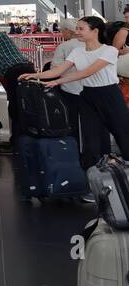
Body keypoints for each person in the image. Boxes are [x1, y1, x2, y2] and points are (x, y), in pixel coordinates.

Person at [22, 17, 129, 171]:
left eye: (81, 29)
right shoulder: (77, 51)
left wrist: (58, 82)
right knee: (90, 137)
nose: (76, 32)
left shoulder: (109, 50)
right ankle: (93, 174)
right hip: (87, 95)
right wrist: (34, 75)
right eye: (76, 28)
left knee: (122, 131)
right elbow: (58, 70)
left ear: (95, 31)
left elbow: (88, 72)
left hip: (109, 94)